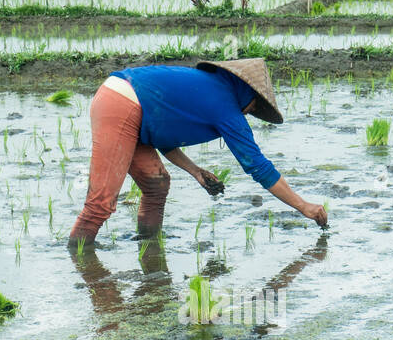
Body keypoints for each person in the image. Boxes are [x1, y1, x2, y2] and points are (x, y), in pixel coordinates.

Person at [67, 58, 327, 247]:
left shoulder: (210, 88)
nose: (249, 113)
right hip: (122, 100)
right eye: (253, 108)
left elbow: (163, 134)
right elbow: (258, 167)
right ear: (249, 95)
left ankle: (149, 246)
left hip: (131, 104)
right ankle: (80, 264)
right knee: (100, 203)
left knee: (157, 185)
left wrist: (195, 172)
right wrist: (304, 206)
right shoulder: (226, 106)